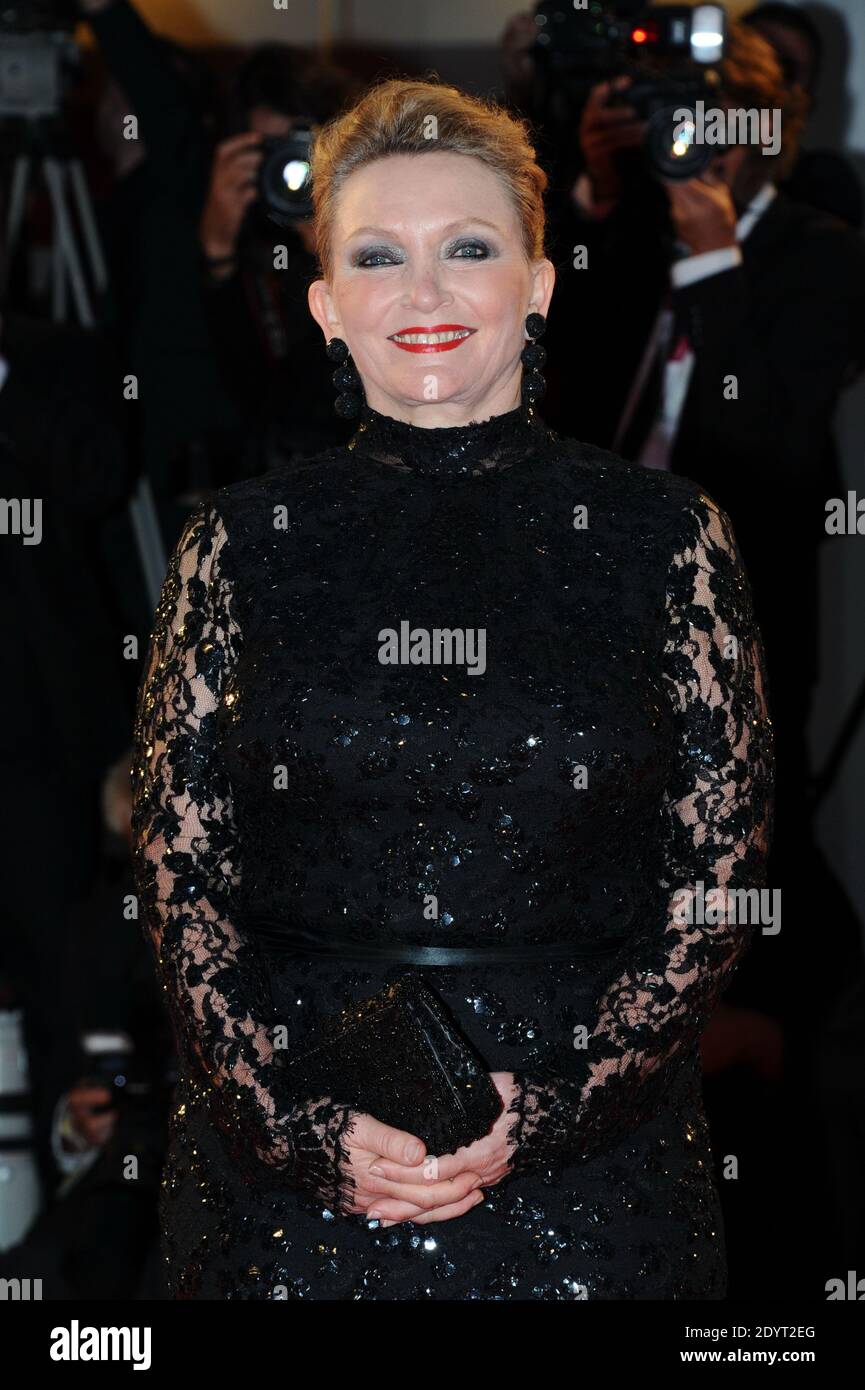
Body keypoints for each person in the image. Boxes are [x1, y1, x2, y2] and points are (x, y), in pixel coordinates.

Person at [131, 78, 774, 1300]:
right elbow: (180, 889)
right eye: (378, 257)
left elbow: (720, 885)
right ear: (327, 306)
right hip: (287, 1171)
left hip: (595, 1173)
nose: (421, 294)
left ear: (535, 284)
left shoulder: (665, 537)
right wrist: (291, 1126)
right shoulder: (236, 543)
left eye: (466, 249)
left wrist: (553, 1116)